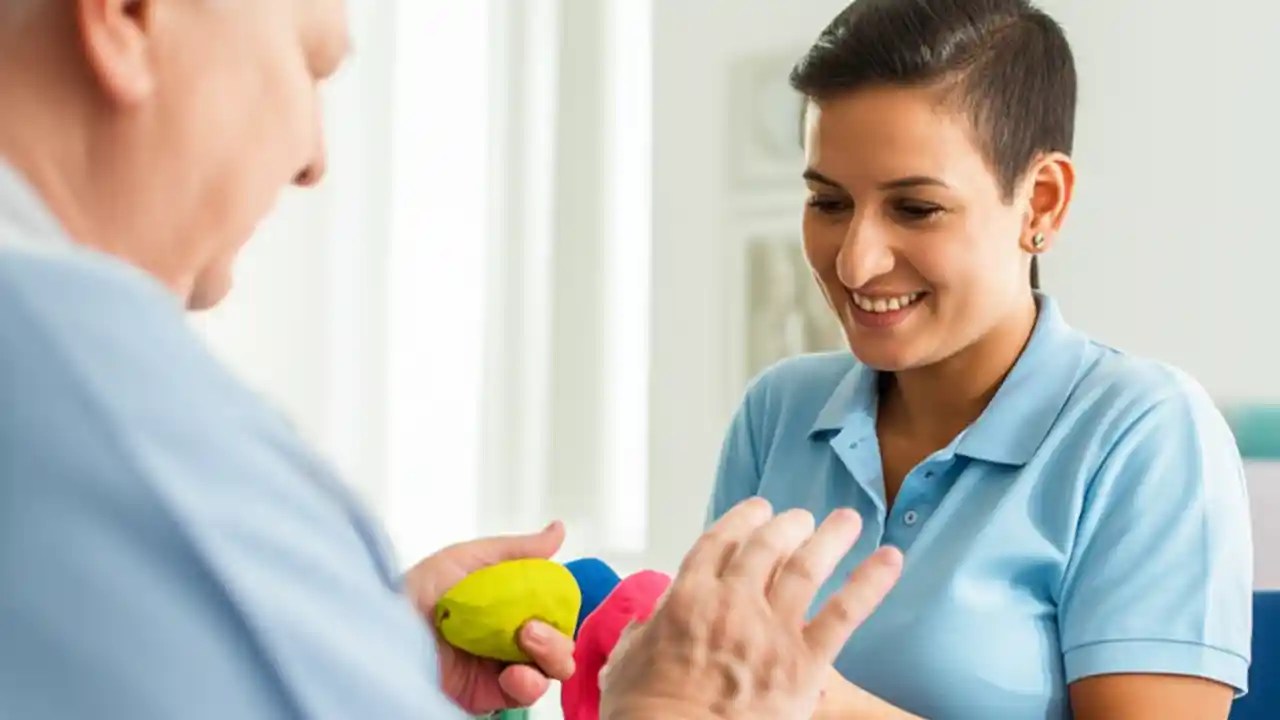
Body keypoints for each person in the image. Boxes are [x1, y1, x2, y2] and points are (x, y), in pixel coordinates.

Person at [0, 0, 905, 718]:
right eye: (310, 64)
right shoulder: (127, 434)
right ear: (126, 15)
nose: (314, 157)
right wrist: (672, 708)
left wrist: (366, 658)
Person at [707, 0, 1254, 718]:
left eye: (916, 209)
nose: (855, 261)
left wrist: (815, 703)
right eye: (830, 203)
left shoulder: (1142, 432)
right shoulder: (779, 413)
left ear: (1041, 205)